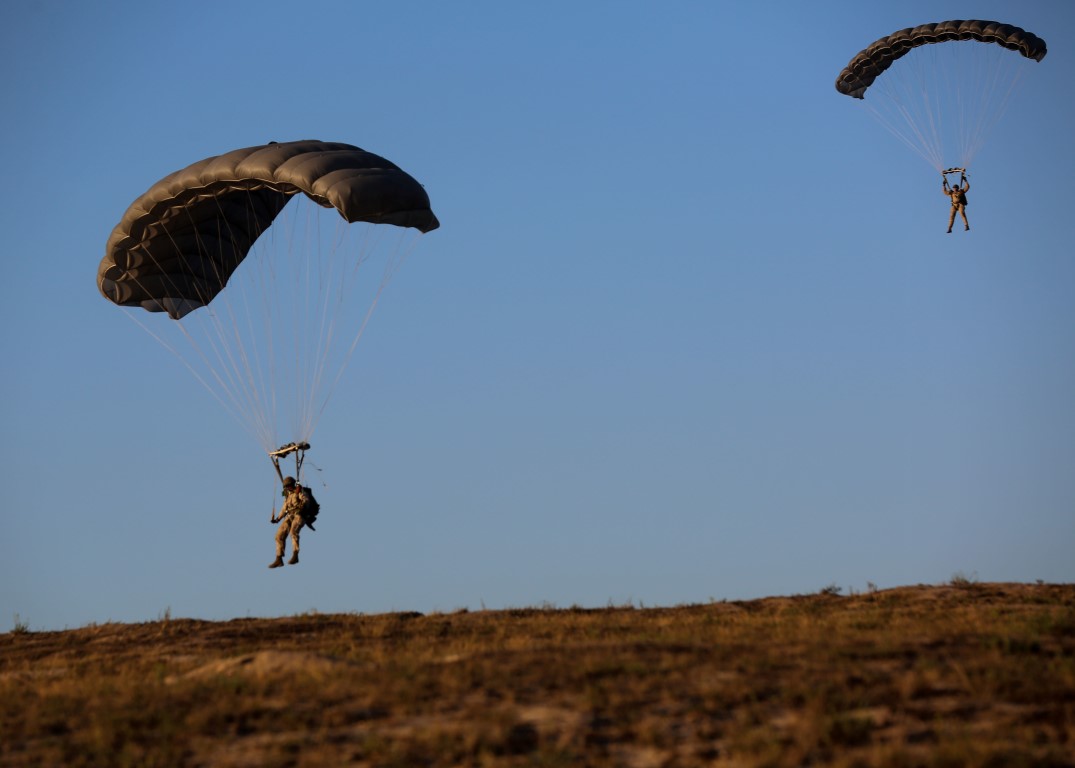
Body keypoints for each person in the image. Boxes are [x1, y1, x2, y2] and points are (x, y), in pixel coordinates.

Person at [269, 476, 311, 568]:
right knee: (279, 535)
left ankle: (295, 555)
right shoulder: (288, 495)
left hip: (299, 515)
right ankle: (279, 558)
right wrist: (277, 519)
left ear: (292, 485)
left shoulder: (300, 491)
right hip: (289, 516)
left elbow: (306, 501)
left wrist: (302, 504)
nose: (288, 488)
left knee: (293, 532)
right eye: (286, 487)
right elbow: (284, 508)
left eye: (288, 486)